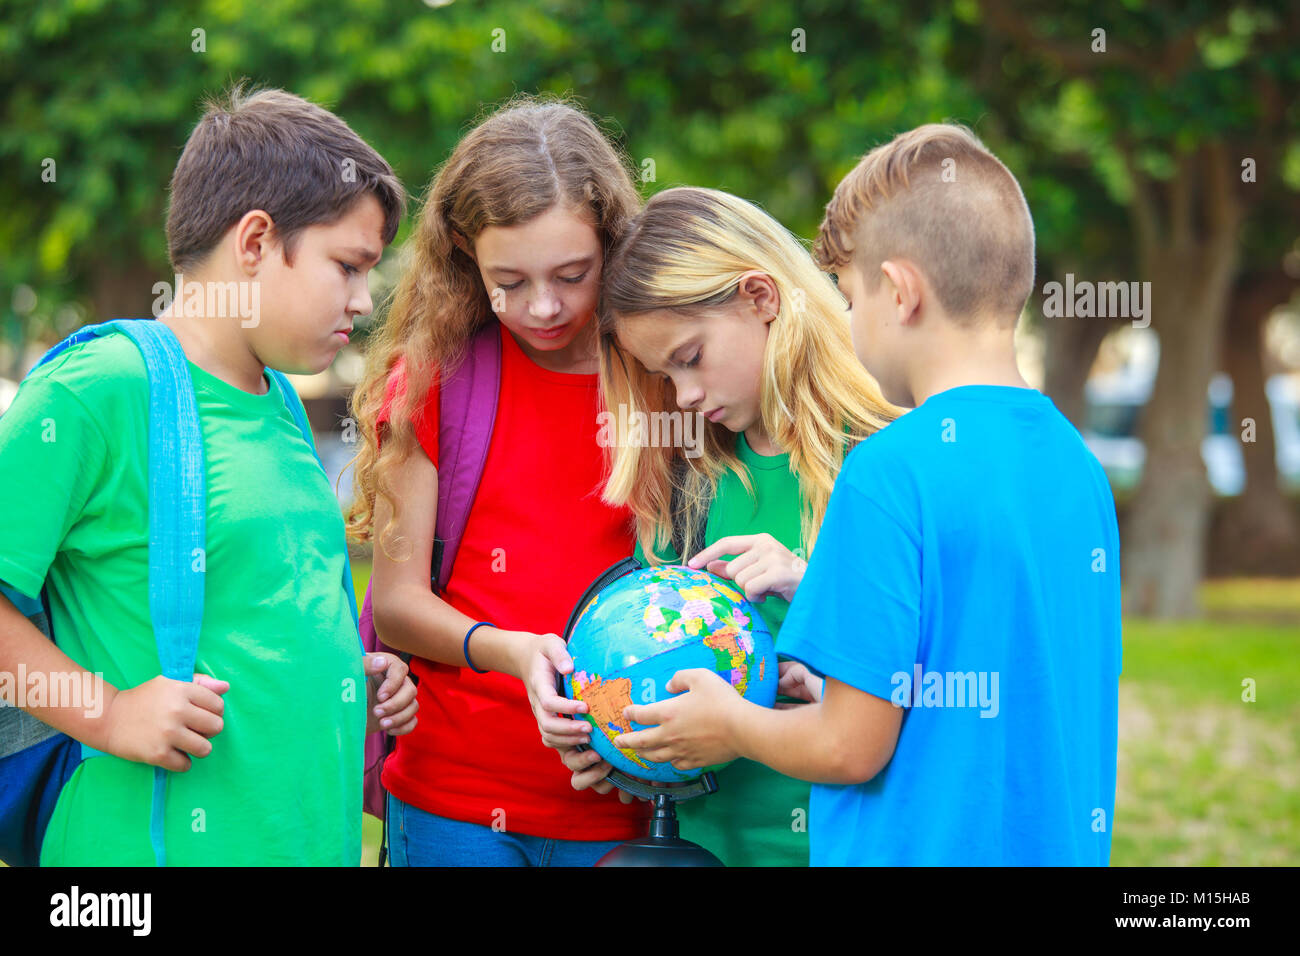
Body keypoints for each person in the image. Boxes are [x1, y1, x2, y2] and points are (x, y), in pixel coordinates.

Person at [607, 124, 1122, 866]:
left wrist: (730, 724)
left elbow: (851, 747)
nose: (843, 321)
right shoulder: (1078, 467)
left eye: (849, 296)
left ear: (901, 292)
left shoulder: (887, 470)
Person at [0, 85, 417, 866]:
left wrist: (342, 672)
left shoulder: (283, 402)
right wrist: (110, 712)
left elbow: (258, 605)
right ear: (256, 241)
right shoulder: (100, 389)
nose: (364, 301)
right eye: (348, 265)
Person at [347, 96, 651, 866]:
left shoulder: (664, 377)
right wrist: (507, 651)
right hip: (454, 805)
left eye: (573, 275)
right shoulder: (435, 381)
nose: (544, 306)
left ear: (612, 244)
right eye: (508, 280)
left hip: (623, 801)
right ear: (462, 251)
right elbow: (400, 601)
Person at [555, 186, 899, 865]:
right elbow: (662, 675)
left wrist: (811, 587)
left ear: (760, 298)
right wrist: (610, 735)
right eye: (662, 374)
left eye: (689, 358)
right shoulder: (689, 483)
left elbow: (943, 697)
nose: (682, 396)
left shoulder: (889, 465)